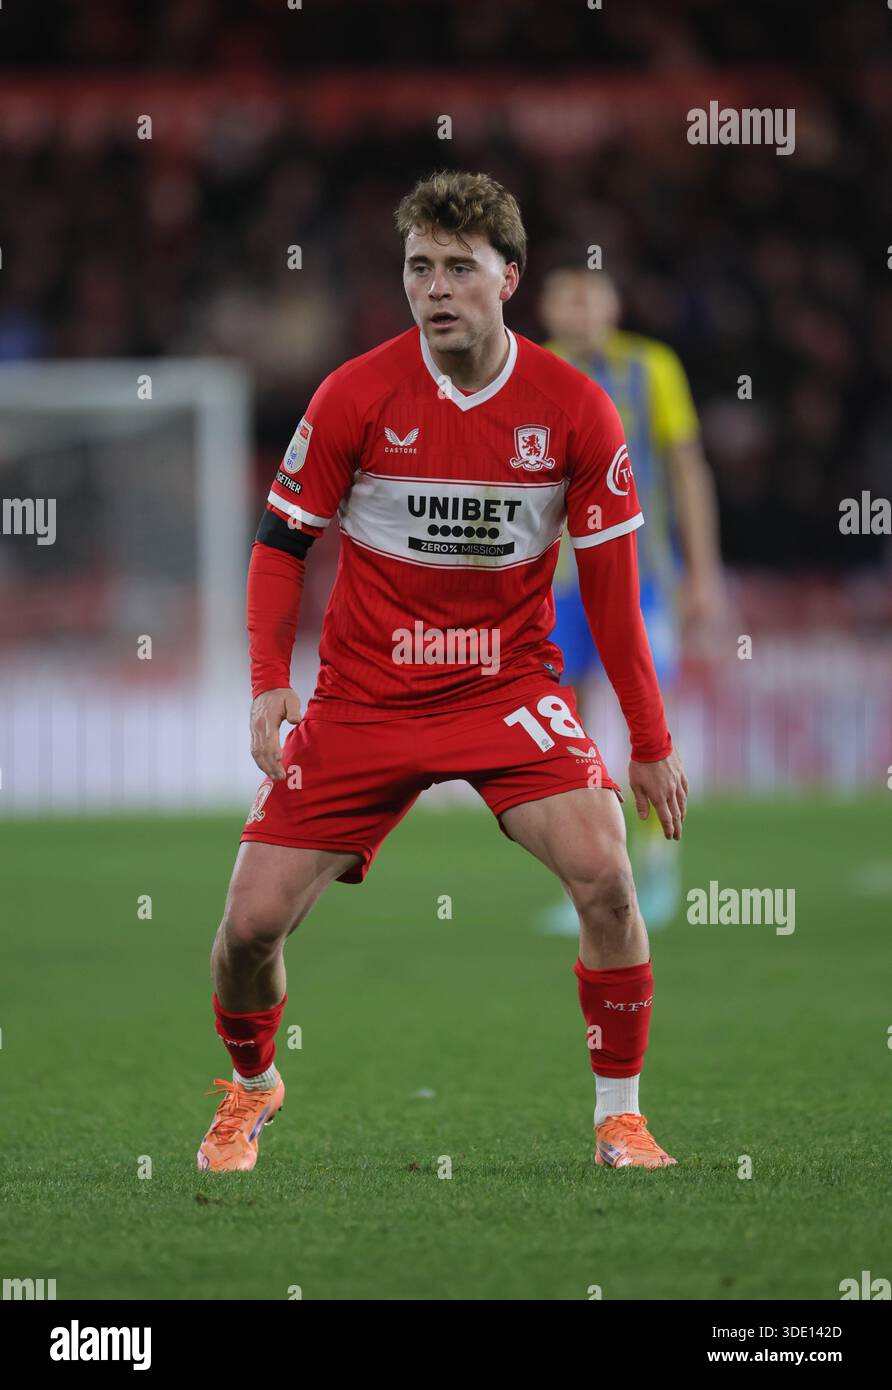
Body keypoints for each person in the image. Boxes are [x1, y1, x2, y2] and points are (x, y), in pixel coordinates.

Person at [197, 170, 687, 1174]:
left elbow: (612, 596)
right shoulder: (355, 394)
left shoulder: (577, 410)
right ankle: (251, 1085)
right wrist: (266, 679)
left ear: (508, 278)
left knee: (606, 878)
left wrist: (649, 741)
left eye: (459, 268)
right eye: (419, 267)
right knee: (246, 930)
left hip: (505, 691)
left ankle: (620, 1117)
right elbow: (278, 545)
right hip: (363, 699)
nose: (435, 289)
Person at [538, 269, 722, 930]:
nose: (578, 308)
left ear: (615, 305)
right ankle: (588, 877)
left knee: (650, 717)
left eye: (589, 294)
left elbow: (685, 467)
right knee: (570, 726)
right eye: (565, 296)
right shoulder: (530, 369)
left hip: (643, 576)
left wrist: (703, 571)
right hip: (559, 582)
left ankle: (662, 867)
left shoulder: (653, 368)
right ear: (546, 308)